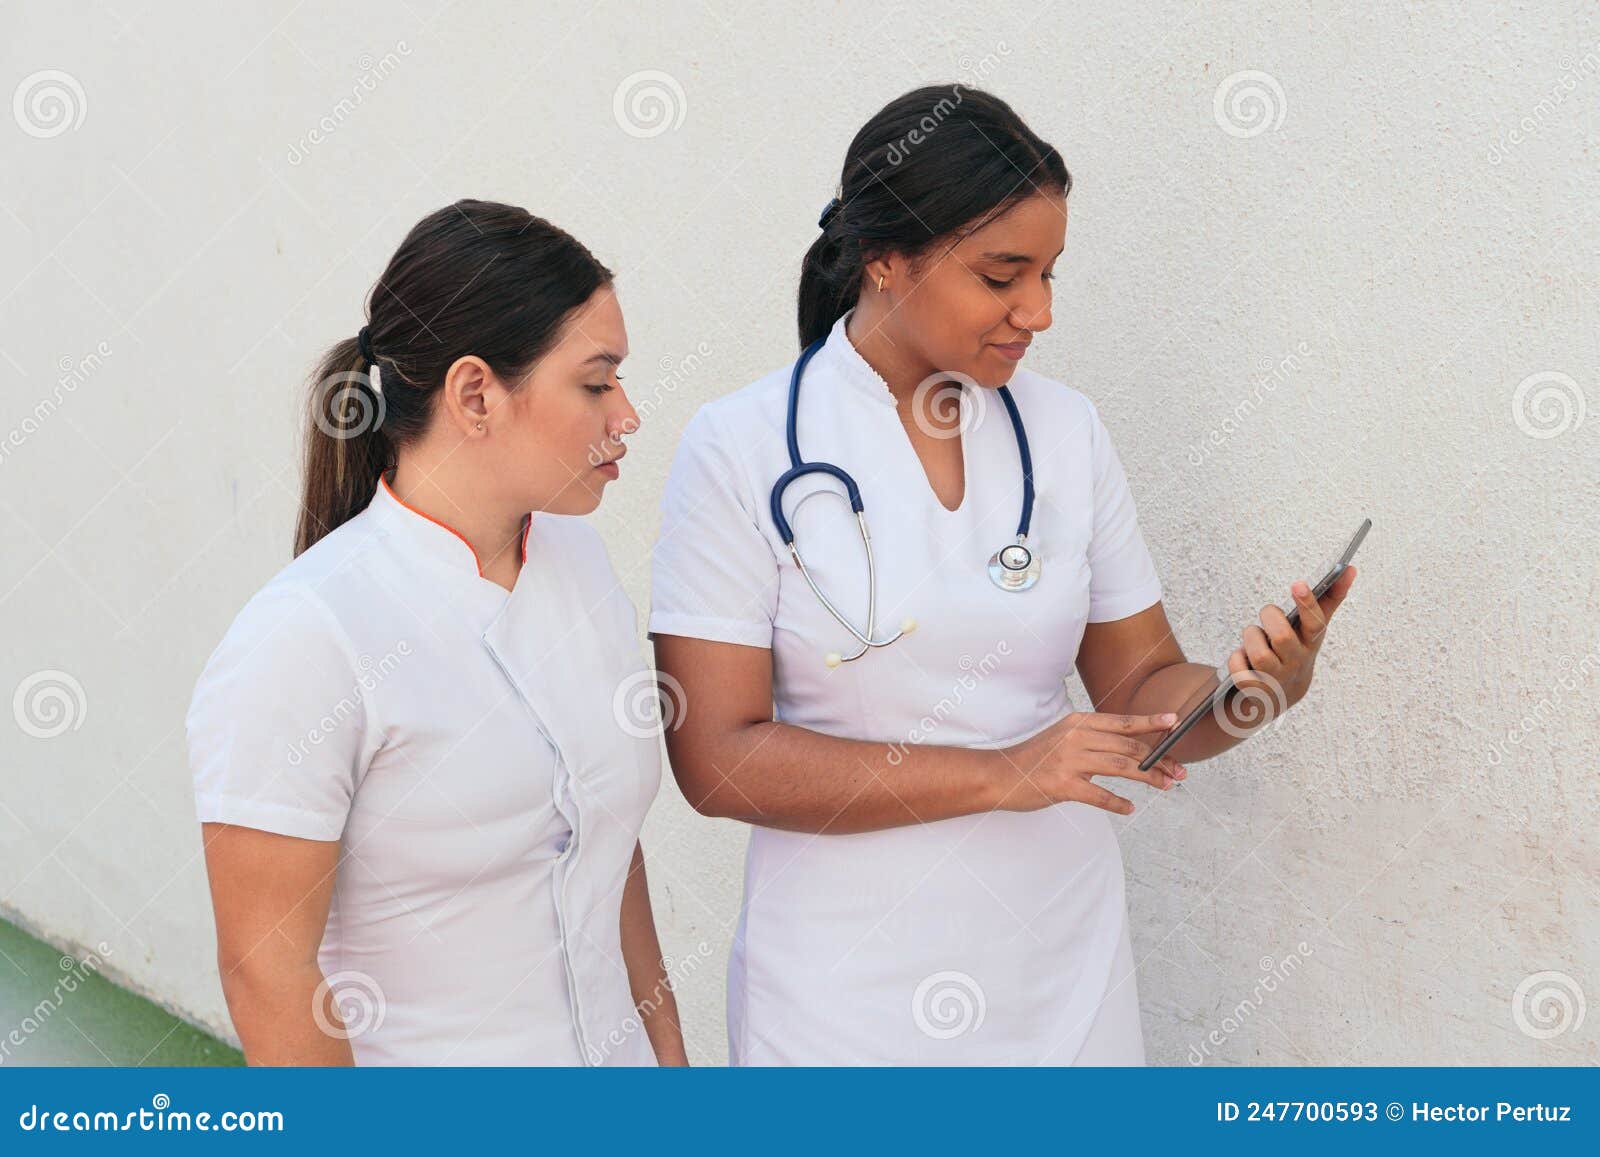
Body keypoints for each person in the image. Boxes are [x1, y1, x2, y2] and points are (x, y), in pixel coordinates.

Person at [648, 87, 1357, 1065]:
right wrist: (1003, 771)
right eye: (1001, 275)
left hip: (1060, 975)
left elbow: (1142, 697)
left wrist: (1259, 690)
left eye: (1050, 272)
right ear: (884, 260)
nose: (1040, 311)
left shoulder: (1065, 432)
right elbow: (717, 762)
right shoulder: (741, 445)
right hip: (839, 993)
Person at [187, 199, 685, 1066]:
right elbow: (267, 975)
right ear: (474, 394)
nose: (627, 414)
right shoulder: (307, 637)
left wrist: (673, 1066)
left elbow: (609, 847)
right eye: (597, 381)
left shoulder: (580, 564)